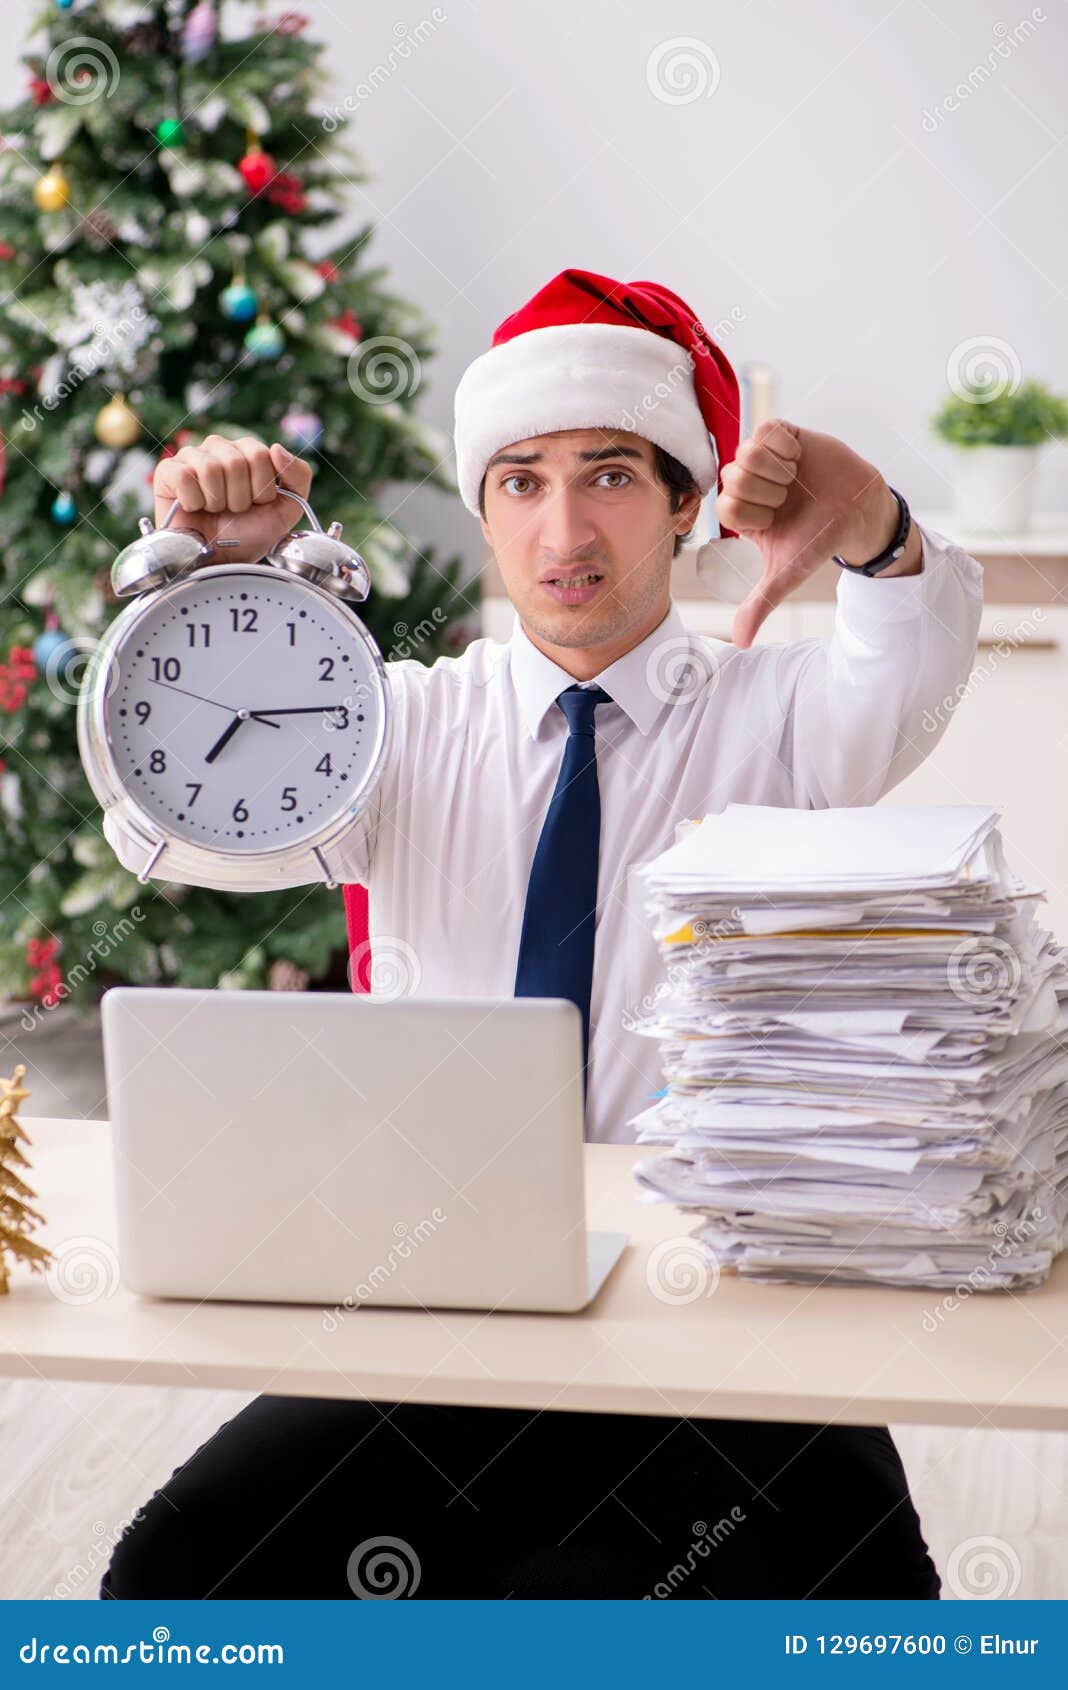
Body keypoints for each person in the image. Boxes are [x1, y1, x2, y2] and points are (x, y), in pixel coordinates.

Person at [99, 268, 982, 1599]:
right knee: (174, 1577)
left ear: (690, 502)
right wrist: (216, 599)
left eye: (612, 474)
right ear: (482, 508)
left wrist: (878, 529)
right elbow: (172, 823)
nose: (564, 528)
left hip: (724, 1333)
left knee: (861, 1611)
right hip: (439, 1313)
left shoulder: (782, 721)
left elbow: (908, 658)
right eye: (520, 480)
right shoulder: (381, 725)